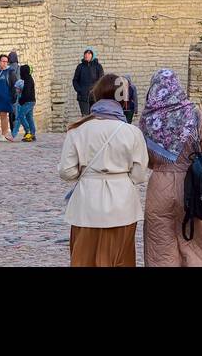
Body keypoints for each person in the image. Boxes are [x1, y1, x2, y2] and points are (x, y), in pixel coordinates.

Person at [58, 73, 150, 267]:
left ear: (96, 95)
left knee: (83, 260)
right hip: (122, 204)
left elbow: (66, 172)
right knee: (120, 260)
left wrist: (87, 173)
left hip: (86, 203)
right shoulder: (132, 132)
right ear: (124, 99)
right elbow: (140, 175)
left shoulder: (78, 130)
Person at [140, 68, 202, 267]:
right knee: (196, 246)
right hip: (192, 185)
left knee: (160, 250)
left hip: (159, 184)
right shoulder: (195, 115)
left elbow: (144, 159)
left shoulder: (147, 120)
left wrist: (162, 163)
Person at [72, 48, 103, 118]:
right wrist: (80, 90)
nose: (86, 55)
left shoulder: (98, 66)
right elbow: (75, 80)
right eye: (85, 53)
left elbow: (101, 80)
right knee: (85, 117)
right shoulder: (80, 67)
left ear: (92, 55)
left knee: (94, 116)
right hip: (83, 97)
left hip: (95, 97)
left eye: (89, 53)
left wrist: (97, 91)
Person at [16, 64, 37, 142]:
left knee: (20, 116)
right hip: (31, 101)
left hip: (28, 102)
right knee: (29, 118)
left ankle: (28, 132)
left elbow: (27, 93)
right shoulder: (28, 78)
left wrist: (21, 100)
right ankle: (32, 134)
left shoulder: (27, 80)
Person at [6, 50, 21, 135]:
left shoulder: (7, 69)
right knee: (17, 111)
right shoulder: (18, 68)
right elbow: (20, 80)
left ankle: (12, 129)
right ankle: (16, 128)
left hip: (9, 92)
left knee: (10, 112)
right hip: (18, 92)